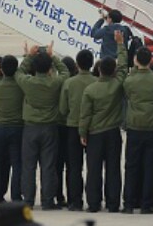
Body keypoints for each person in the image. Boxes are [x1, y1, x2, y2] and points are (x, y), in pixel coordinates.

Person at [16, 42, 70, 210]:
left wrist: (29, 56)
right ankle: (48, 200)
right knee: (48, 166)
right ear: (49, 68)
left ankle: (28, 200)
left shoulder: (28, 82)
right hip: (49, 127)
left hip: (30, 127)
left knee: (29, 166)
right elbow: (65, 72)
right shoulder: (54, 83)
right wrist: (52, 56)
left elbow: (19, 72)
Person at [78, 31, 128, 213]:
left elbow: (85, 115)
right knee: (113, 169)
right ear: (113, 71)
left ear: (99, 70)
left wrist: (82, 133)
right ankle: (113, 203)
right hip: (113, 132)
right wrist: (121, 45)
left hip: (95, 134)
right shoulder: (117, 84)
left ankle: (93, 203)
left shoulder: (90, 90)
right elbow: (123, 67)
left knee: (93, 170)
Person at [123, 46, 153, 214]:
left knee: (131, 166)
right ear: (151, 61)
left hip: (134, 126)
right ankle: (146, 204)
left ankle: (128, 202)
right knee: (150, 166)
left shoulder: (129, 81)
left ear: (135, 61)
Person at [58, 49, 96, 211]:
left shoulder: (69, 83)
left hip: (72, 127)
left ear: (77, 65)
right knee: (93, 166)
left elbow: (62, 109)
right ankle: (94, 200)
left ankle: (75, 201)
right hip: (93, 128)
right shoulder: (97, 82)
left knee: (74, 166)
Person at [0, 54, 24, 206]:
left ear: (1, 69)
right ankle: (16, 196)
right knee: (17, 164)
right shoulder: (21, 86)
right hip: (17, 127)